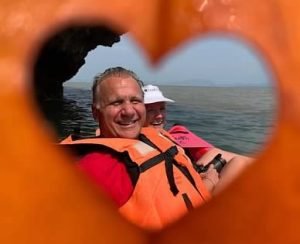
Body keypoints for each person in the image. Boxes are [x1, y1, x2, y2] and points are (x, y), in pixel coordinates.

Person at [61, 67, 212, 230]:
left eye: (135, 101)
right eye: (116, 102)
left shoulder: (153, 137)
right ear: (95, 113)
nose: (129, 111)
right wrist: (210, 182)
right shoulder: (96, 169)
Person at [142, 84, 253, 195]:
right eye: (151, 110)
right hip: (192, 197)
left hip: (191, 177)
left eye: (162, 109)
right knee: (239, 163)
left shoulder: (159, 136)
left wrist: (197, 174)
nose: (159, 116)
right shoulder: (147, 146)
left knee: (218, 154)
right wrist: (210, 181)